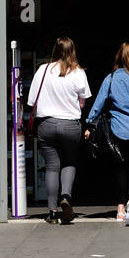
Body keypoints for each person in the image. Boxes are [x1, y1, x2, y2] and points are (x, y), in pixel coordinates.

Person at [86, 42, 129, 226]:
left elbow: (98, 104)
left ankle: (120, 209)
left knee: (119, 169)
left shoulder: (110, 79)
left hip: (117, 131)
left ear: (119, 58)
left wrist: (88, 125)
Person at [28, 36, 91, 225]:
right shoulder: (79, 72)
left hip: (46, 124)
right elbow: (82, 103)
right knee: (69, 162)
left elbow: (32, 101)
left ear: (55, 51)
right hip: (70, 125)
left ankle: (53, 212)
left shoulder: (42, 70)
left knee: (52, 167)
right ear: (73, 51)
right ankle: (66, 196)